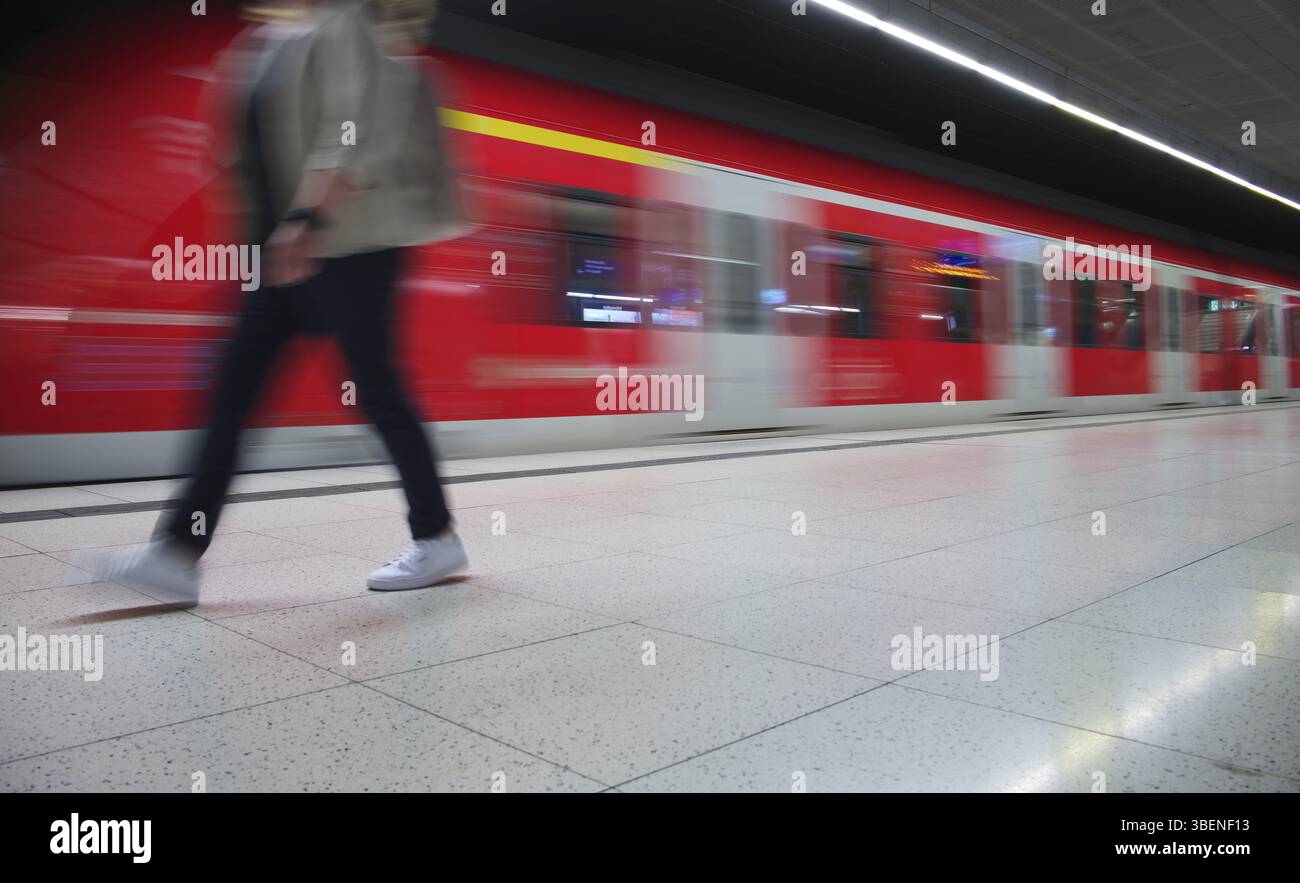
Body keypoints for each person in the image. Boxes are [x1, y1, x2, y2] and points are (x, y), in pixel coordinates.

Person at [103, 0, 470, 607]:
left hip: (347, 242)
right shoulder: (265, 40)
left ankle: (437, 538)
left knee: (376, 391)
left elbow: (352, 126)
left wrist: (306, 215)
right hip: (277, 253)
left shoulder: (344, 19)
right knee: (232, 394)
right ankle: (176, 554)